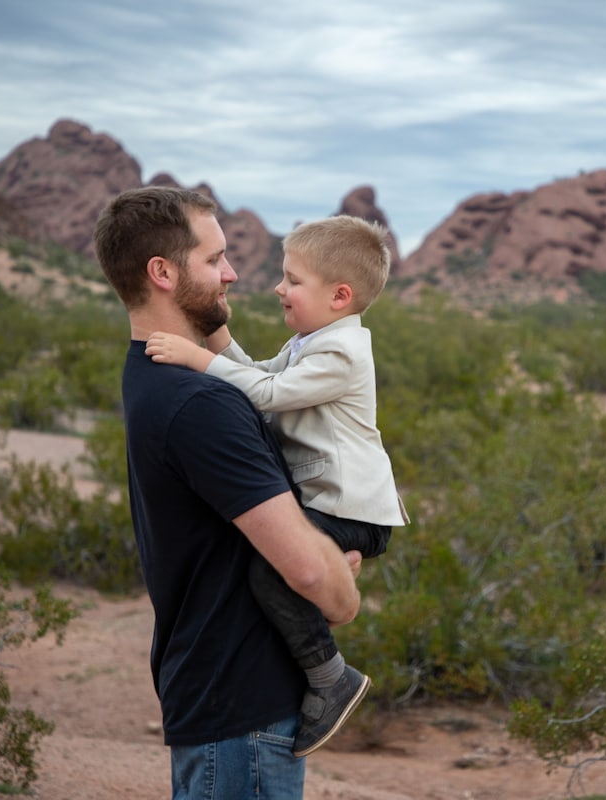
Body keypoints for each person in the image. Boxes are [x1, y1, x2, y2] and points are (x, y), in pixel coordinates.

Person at [93, 186, 363, 800]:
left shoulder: (154, 374)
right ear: (161, 272)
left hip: (219, 693)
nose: (233, 274)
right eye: (215, 259)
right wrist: (338, 587)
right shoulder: (200, 403)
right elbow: (310, 574)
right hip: (241, 709)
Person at [145, 215, 409, 757]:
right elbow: (259, 378)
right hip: (333, 502)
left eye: (292, 280)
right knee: (278, 563)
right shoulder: (311, 341)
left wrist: (197, 357)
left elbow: (264, 395)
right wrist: (217, 334)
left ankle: (329, 677)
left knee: (272, 568)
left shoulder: (341, 354)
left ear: (339, 296)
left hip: (353, 507)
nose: (277, 288)